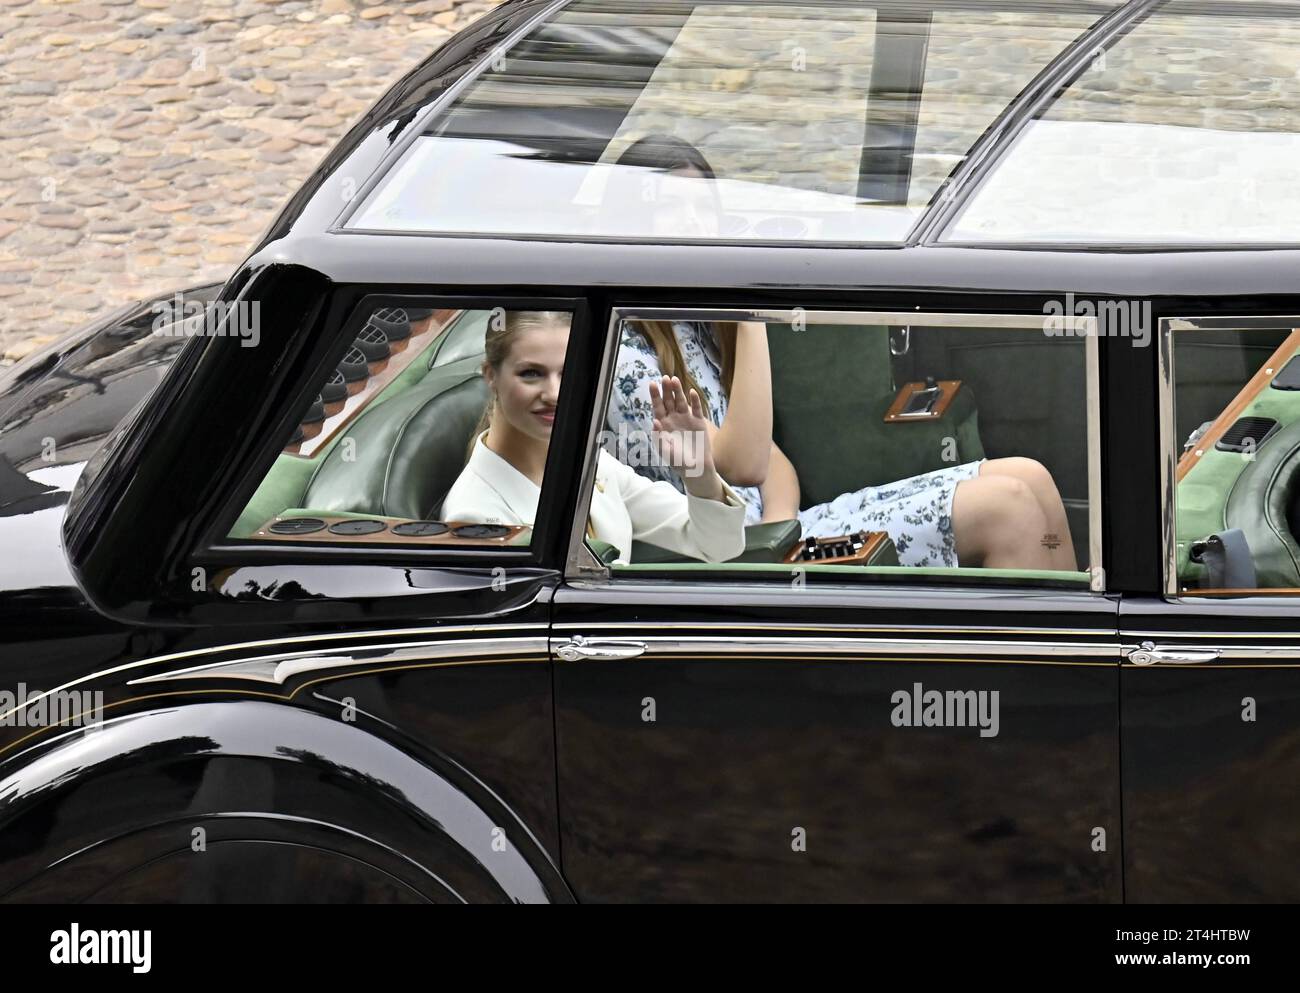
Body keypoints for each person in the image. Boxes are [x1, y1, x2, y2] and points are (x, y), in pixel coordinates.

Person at [604, 138, 1078, 571]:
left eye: (703, 208)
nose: (693, 223)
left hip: (778, 539)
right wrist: (749, 312)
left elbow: (774, 464)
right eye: (670, 208)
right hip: (726, 555)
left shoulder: (694, 325)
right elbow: (742, 464)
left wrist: (779, 537)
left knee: (1029, 476)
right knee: (1010, 505)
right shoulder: (628, 363)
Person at [442, 309, 747, 565]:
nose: (554, 394)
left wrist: (699, 472)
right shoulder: (475, 516)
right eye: (531, 373)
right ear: (490, 375)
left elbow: (717, 547)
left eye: (568, 372)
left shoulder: (587, 460)